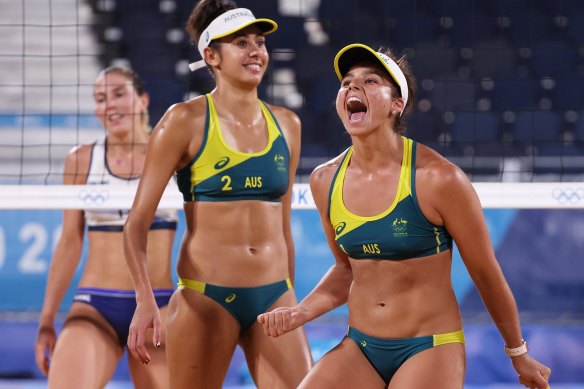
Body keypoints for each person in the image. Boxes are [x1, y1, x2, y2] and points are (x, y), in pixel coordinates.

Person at [258, 43, 552, 389]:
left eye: (370, 82)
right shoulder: (325, 180)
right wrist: (301, 312)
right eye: (347, 82)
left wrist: (518, 353)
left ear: (396, 104)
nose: (353, 88)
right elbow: (346, 269)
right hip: (361, 346)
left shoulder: (439, 179)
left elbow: (486, 274)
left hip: (429, 347)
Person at [122, 1, 313, 388]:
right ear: (212, 56)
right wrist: (144, 300)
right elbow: (135, 225)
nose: (255, 50)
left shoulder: (288, 125)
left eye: (259, 42)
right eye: (241, 43)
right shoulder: (184, 121)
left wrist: (290, 294)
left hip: (275, 295)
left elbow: (284, 224)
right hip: (206, 297)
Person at [34, 66, 178, 389]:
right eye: (100, 99)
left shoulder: (173, 155)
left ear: (143, 100)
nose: (109, 105)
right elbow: (70, 242)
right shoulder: (81, 160)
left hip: (159, 304)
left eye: (118, 94)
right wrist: (46, 319)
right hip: (96, 305)